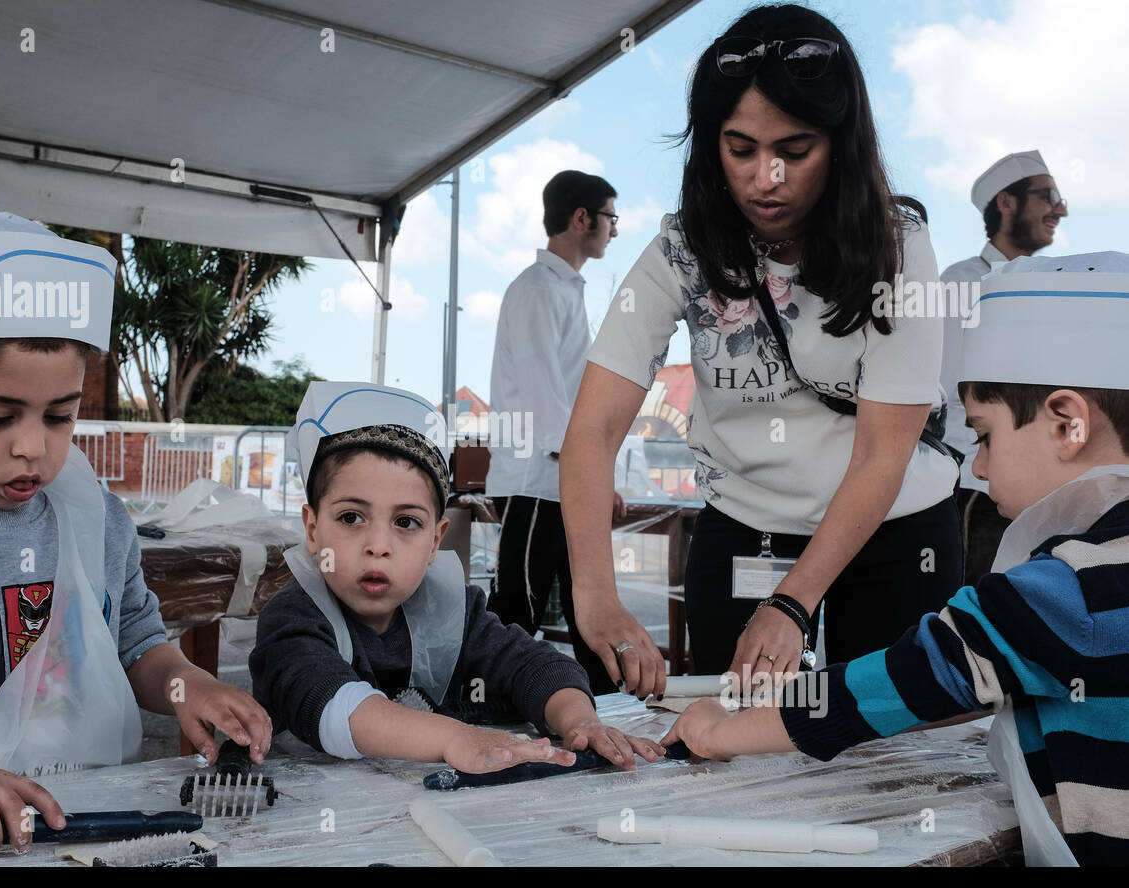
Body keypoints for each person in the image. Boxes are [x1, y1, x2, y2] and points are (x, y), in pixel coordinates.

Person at [663, 252, 1129, 866]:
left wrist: (723, 730)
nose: (980, 466)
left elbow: (911, 676)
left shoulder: (1067, 592)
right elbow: (963, 680)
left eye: (985, 435)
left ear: (1067, 423)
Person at [0, 208, 271, 854]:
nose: (32, 448)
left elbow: (139, 646)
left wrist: (189, 686)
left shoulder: (94, 517)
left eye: (60, 417)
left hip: (84, 822)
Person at [560, 4, 963, 701]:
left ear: (841, 144)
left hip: (896, 530)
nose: (766, 177)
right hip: (746, 532)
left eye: (795, 151)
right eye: (740, 148)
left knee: (895, 757)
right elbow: (593, 431)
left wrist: (793, 604)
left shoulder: (899, 248)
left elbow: (882, 454)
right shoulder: (680, 253)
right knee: (739, 748)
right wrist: (595, 593)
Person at [250, 381, 663, 772]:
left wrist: (578, 721)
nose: (378, 545)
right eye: (351, 517)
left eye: (406, 522)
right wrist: (455, 738)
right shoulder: (293, 619)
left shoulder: (453, 613)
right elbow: (336, 708)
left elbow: (535, 666)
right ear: (312, 529)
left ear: (435, 541)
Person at [485, 170, 626, 695]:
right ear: (581, 217)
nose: (614, 230)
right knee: (516, 608)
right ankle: (502, 708)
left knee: (587, 601)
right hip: (535, 481)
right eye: (610, 217)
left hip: (560, 480)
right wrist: (589, 476)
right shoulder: (537, 289)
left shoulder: (563, 289)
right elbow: (545, 396)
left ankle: (607, 709)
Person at [940, 151, 1069, 585]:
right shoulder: (963, 283)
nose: (1061, 208)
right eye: (1048, 195)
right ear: (1007, 203)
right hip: (981, 493)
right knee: (977, 626)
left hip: (1044, 494)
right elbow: (946, 398)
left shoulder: (1053, 283)